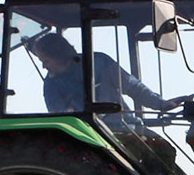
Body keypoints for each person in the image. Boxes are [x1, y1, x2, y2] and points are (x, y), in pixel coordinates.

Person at [26, 32, 182, 114]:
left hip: (124, 129)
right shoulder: (52, 86)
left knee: (165, 151)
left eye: (46, 61)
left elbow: (132, 86)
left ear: (59, 55)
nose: (44, 67)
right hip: (90, 138)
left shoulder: (99, 62)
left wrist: (160, 104)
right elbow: (60, 117)